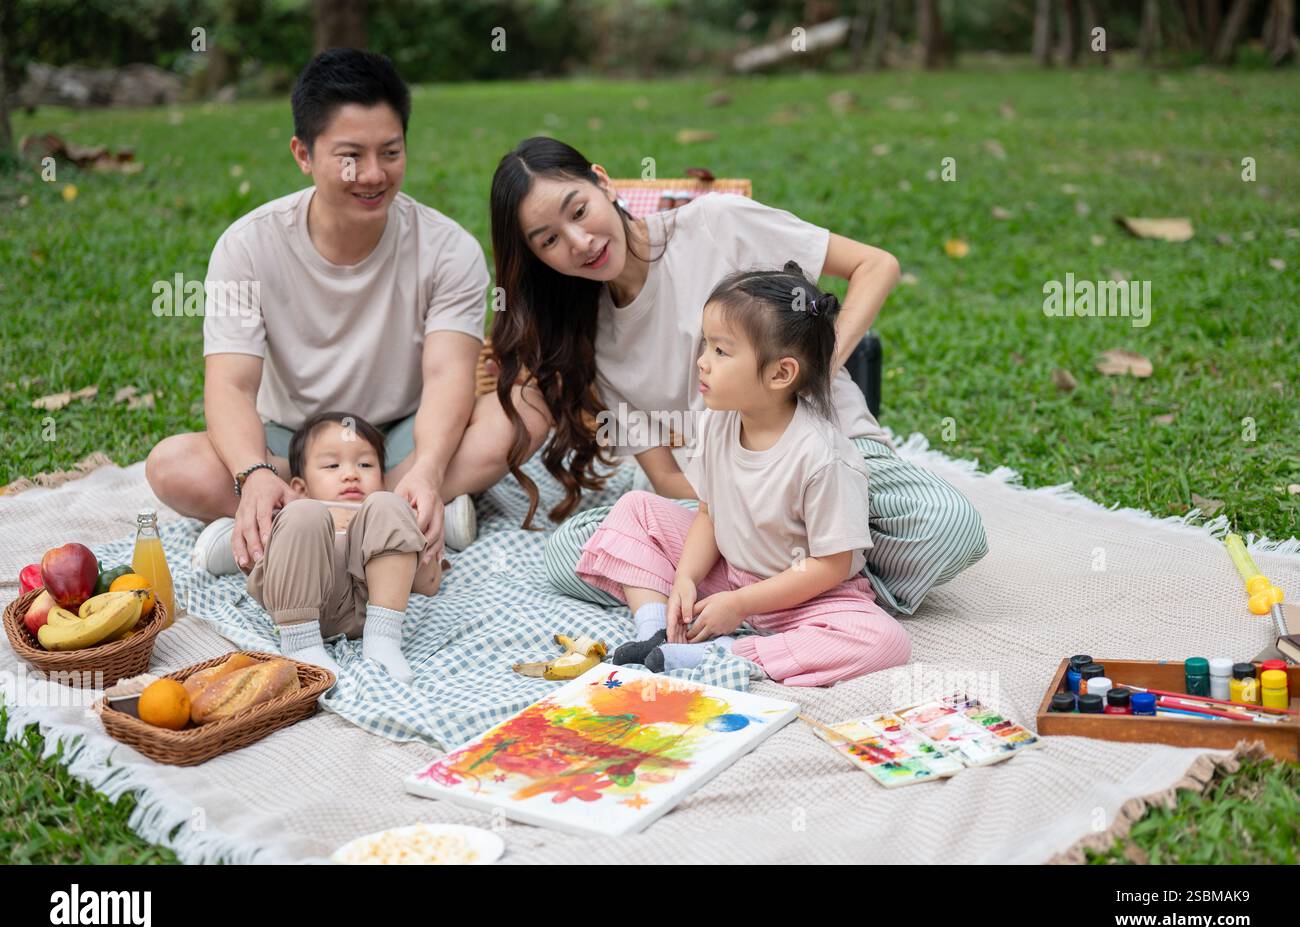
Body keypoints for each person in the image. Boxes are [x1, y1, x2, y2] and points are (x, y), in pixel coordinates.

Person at [488, 136, 986, 620]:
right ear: (538, 257)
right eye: (550, 239)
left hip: (834, 459)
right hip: (720, 501)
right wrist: (739, 508)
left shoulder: (714, 223)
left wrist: (815, 368)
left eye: (578, 211)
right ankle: (782, 596)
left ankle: (796, 591)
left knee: (947, 526)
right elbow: (663, 476)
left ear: (603, 183)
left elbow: (876, 265)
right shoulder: (587, 337)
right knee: (570, 553)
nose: (580, 242)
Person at [145, 49, 552, 577]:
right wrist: (252, 474)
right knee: (173, 466)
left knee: (528, 411)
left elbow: (449, 374)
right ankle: (403, 517)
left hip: (401, 437)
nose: (373, 175)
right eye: (350, 155)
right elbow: (231, 386)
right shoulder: (247, 246)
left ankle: (322, 519)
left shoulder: (448, 249)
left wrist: (427, 468)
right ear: (303, 154)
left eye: (390, 152)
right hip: (291, 446)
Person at [572, 265, 910, 685]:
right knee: (634, 509)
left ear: (780, 373)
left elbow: (829, 566)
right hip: (731, 571)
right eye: (706, 346)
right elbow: (708, 515)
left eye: (721, 351)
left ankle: (727, 651)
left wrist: (741, 604)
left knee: (883, 639)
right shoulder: (718, 422)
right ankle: (658, 632)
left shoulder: (823, 458)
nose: (702, 362)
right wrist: (685, 579)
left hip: (808, 597)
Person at [244, 412, 441, 681]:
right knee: (303, 515)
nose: (350, 475)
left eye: (365, 465)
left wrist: (418, 535)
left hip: (371, 605)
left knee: (390, 506)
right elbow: (262, 569)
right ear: (300, 487)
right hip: (299, 601)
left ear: (384, 481)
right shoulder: (297, 511)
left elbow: (427, 582)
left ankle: (383, 640)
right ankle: (302, 646)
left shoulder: (385, 515)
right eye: (332, 466)